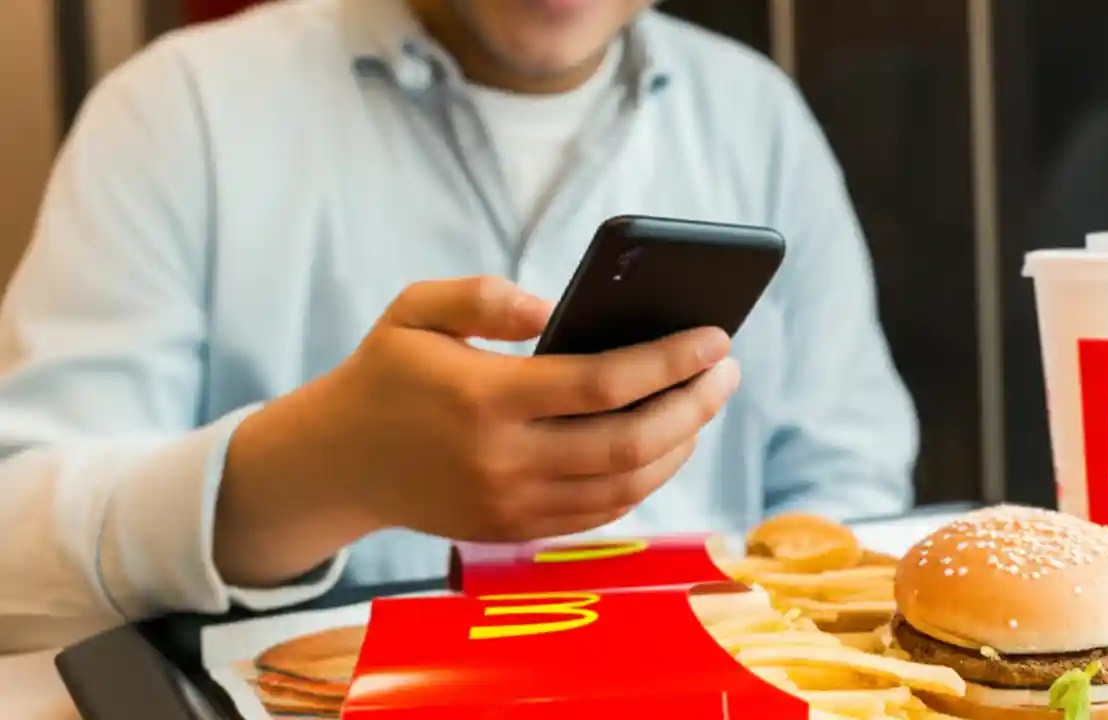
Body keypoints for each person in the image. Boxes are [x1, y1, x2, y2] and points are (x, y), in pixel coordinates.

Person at [0, 0, 917, 652]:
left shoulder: (756, 114)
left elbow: (849, 481)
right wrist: (311, 472)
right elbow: (16, 553)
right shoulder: (179, 108)